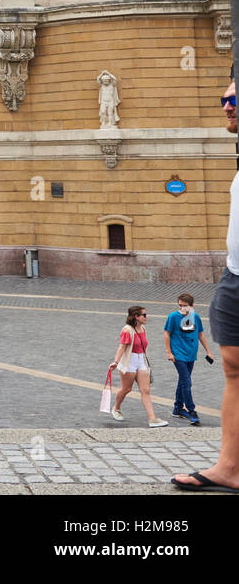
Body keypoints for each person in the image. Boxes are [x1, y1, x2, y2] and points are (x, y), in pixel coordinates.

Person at [175, 77, 239, 490]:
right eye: (224, 99)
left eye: (235, 98)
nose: (227, 106)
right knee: (233, 369)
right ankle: (230, 468)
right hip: (235, 276)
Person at [109, 305, 167, 427]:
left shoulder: (143, 328)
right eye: (144, 315)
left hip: (141, 360)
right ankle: (116, 408)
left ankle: (152, 419)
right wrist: (116, 362)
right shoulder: (127, 330)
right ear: (136, 316)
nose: (146, 317)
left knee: (145, 390)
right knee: (126, 389)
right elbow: (122, 347)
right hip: (129, 361)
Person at [165, 294, 214, 426]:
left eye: (185, 305)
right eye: (180, 305)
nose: (182, 308)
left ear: (191, 306)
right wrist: (169, 352)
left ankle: (178, 408)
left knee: (183, 380)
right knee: (187, 381)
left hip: (191, 354)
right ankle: (192, 411)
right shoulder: (173, 317)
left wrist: (208, 351)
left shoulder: (195, 317)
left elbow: (200, 334)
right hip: (178, 354)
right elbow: (167, 334)